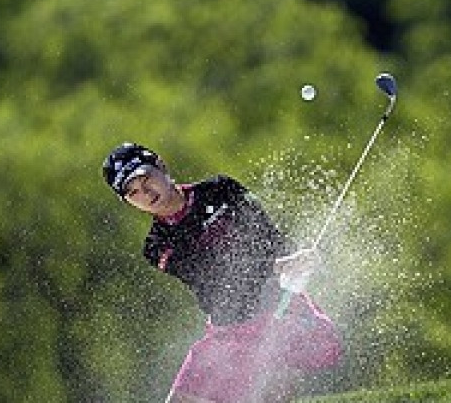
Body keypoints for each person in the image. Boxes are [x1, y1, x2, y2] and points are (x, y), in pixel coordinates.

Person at [102, 142, 342, 403]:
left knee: (274, 386)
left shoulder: (220, 188)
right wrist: (277, 265)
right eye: (133, 192)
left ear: (161, 165)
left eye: (146, 179)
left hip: (277, 309)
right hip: (229, 330)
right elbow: (213, 275)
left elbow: (269, 236)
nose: (145, 193)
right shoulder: (157, 246)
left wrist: (299, 258)